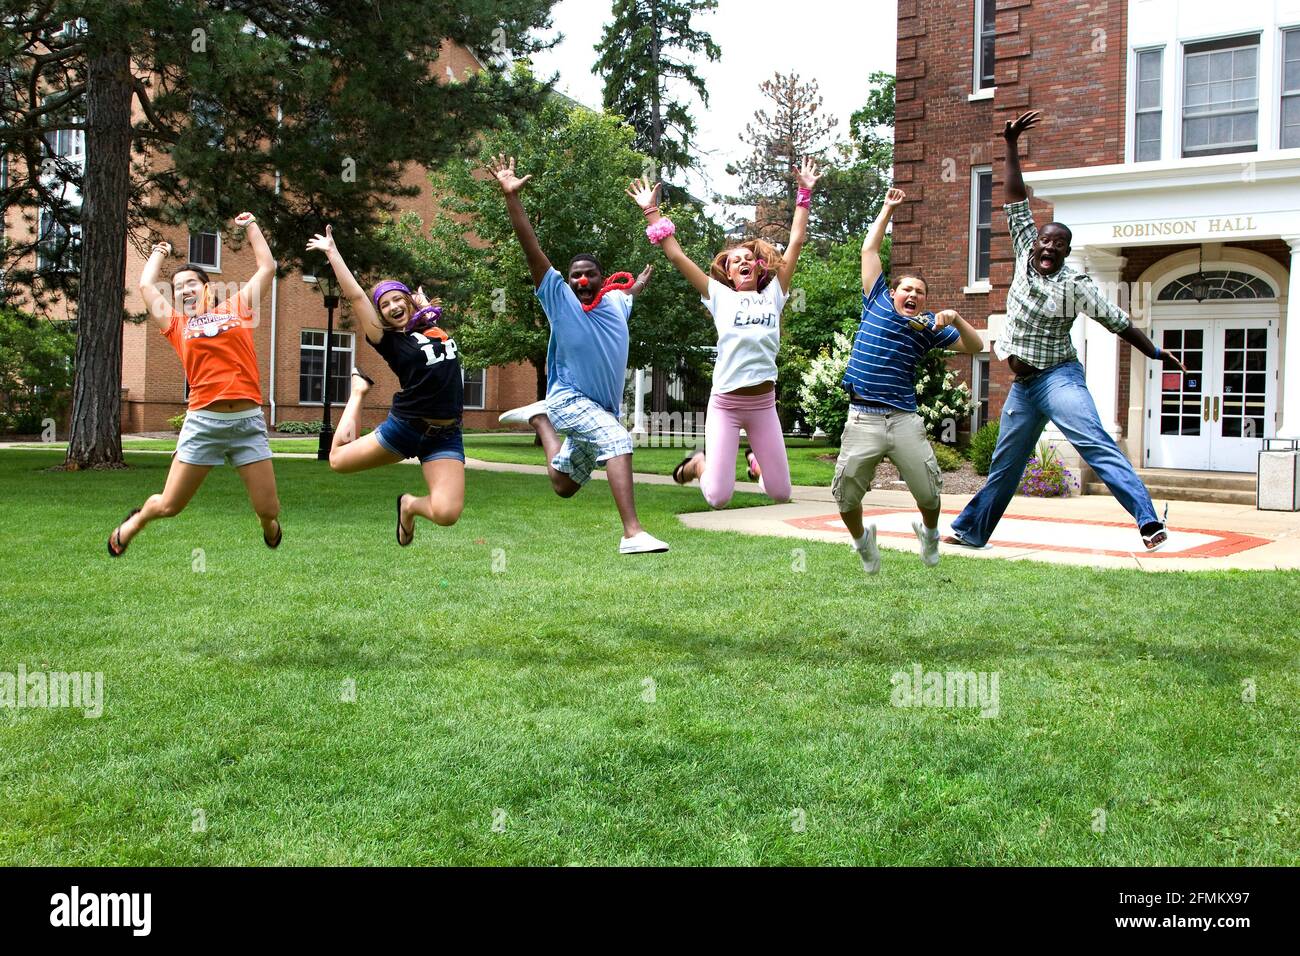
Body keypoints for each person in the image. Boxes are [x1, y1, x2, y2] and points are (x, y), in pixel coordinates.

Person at [946, 111, 1189, 552]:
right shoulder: (1023, 249)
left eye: (1059, 244)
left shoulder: (1076, 285)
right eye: (1045, 240)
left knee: (1093, 441)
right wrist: (1011, 145)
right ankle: (971, 530)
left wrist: (1155, 353)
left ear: (1067, 252)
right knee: (1007, 463)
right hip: (1023, 385)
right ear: (1034, 242)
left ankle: (1148, 521)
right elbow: (1015, 196)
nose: (1049, 248)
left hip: (1059, 378)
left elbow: (1120, 322)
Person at [489, 155, 668, 554]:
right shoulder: (559, 300)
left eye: (590, 275)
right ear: (568, 282)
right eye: (576, 276)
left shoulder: (617, 302)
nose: (583, 280)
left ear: (603, 280)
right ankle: (632, 533)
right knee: (619, 441)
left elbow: (627, 295)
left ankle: (539, 420)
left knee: (564, 484)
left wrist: (636, 286)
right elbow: (530, 246)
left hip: (601, 407)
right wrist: (511, 198)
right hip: (570, 399)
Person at [626, 159, 822, 509]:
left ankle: (756, 465)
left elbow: (795, 242)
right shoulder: (719, 296)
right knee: (718, 498)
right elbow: (675, 254)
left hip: (763, 404)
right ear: (728, 273)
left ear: (758, 267)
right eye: (734, 260)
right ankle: (700, 465)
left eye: (748, 257)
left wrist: (804, 192)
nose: (742, 261)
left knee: (780, 494)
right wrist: (651, 212)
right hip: (727, 404)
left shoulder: (774, 293)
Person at [108, 213, 280, 556]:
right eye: (178, 287)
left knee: (268, 510)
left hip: (247, 423)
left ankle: (267, 525)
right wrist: (158, 251)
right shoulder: (175, 324)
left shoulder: (237, 308)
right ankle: (136, 522)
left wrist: (251, 226)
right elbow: (144, 286)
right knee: (170, 506)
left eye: (191, 283)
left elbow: (267, 268)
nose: (185, 289)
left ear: (207, 287)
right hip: (204, 422)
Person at [834, 187, 985, 575]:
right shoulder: (877, 301)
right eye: (907, 289)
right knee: (846, 495)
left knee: (929, 491)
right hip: (863, 416)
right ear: (894, 292)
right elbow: (869, 252)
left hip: (903, 418)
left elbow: (976, 346)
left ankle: (930, 535)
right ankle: (862, 542)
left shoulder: (930, 326)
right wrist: (886, 209)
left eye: (920, 291)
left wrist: (955, 319)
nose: (913, 294)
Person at [304, 225, 465, 546]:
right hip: (406, 428)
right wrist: (333, 253)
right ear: (382, 315)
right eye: (385, 304)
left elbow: (425, 318)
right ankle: (358, 393)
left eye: (397, 299)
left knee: (447, 514)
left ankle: (408, 505)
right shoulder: (389, 340)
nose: (392, 306)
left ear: (408, 300)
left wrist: (422, 307)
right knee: (337, 462)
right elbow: (356, 296)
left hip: (445, 434)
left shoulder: (434, 328)